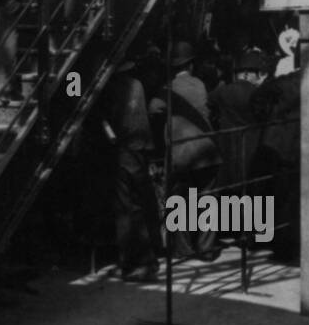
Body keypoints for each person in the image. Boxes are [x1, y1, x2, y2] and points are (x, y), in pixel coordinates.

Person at [250, 33, 309, 261]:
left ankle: (270, 241)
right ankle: (296, 247)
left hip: (276, 145)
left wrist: (270, 122)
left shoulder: (284, 83)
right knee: (302, 199)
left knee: (277, 196)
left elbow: (256, 100)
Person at [150, 40, 222, 260]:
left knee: (179, 200)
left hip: (181, 155)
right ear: (191, 65)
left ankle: (183, 249)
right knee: (208, 199)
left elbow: (152, 109)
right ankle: (206, 249)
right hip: (208, 151)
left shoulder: (167, 89)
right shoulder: (200, 84)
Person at [101, 56, 163, 282]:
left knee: (125, 207)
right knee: (139, 203)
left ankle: (134, 262)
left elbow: (107, 119)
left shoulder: (113, 88)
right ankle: (144, 260)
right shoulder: (137, 84)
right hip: (140, 148)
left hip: (123, 150)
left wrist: (73, 84)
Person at [208, 48, 270, 232]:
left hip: (227, 144)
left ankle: (229, 228)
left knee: (228, 186)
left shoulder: (223, 91)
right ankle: (251, 229)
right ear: (251, 73)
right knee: (252, 188)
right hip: (252, 143)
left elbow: (210, 104)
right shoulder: (260, 93)